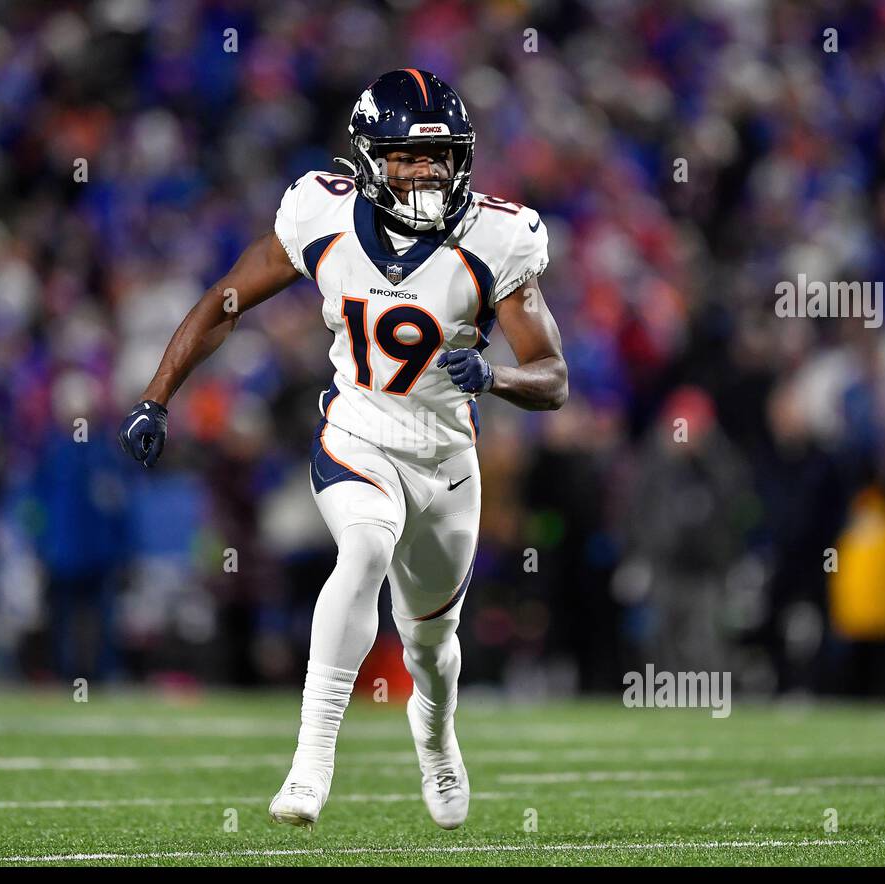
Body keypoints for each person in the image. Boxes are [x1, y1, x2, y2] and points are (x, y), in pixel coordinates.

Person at [116, 69, 567, 829]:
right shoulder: (320, 214)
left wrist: (496, 375)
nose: (428, 173)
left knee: (431, 644)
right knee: (360, 552)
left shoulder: (496, 238)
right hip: (358, 435)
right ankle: (310, 763)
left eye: (441, 157)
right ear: (368, 158)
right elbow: (225, 301)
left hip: (447, 461)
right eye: (408, 158)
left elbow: (553, 378)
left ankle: (437, 741)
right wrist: (157, 394)